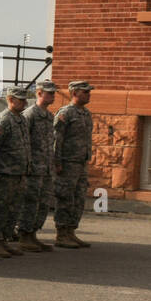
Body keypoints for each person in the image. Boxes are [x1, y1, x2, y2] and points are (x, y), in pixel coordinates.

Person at [0, 85, 32, 257]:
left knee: (12, 209)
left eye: (25, 99)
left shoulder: (21, 120)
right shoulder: (2, 120)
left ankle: (4, 239)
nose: (24, 103)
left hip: (18, 173)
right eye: (21, 99)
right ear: (10, 100)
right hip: (4, 173)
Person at [52, 80, 94, 248]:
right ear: (75, 93)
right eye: (85, 92)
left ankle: (71, 231)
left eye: (89, 92)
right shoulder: (65, 113)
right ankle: (61, 234)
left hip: (81, 163)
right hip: (67, 163)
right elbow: (57, 139)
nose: (88, 95)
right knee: (65, 197)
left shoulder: (86, 114)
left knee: (78, 198)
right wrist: (57, 161)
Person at [17, 81, 57, 252]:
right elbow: (24, 142)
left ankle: (33, 234)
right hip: (33, 168)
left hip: (46, 168)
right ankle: (24, 235)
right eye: (49, 93)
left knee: (43, 202)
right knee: (30, 202)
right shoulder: (30, 114)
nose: (53, 96)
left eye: (54, 93)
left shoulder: (48, 116)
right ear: (39, 93)